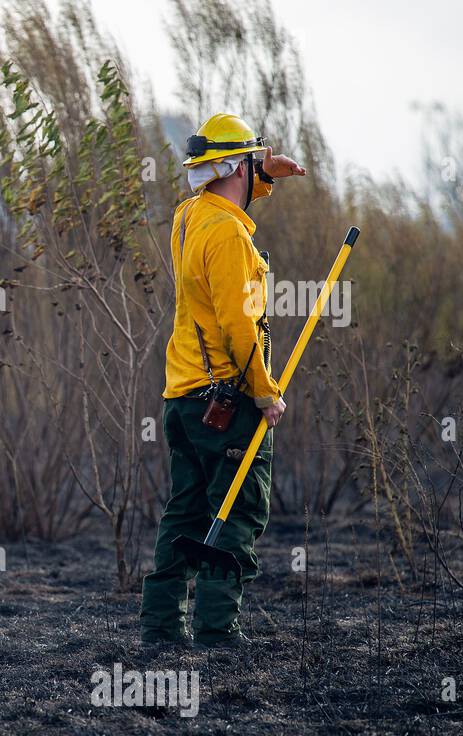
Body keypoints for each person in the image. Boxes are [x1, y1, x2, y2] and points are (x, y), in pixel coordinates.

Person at [138, 114, 307, 650]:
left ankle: (162, 627)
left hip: (181, 398)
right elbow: (240, 325)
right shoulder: (230, 234)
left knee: (185, 512)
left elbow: (231, 191)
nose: (263, 168)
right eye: (256, 160)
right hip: (227, 401)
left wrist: (265, 171)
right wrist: (265, 391)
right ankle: (216, 630)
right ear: (238, 166)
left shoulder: (189, 216)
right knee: (236, 511)